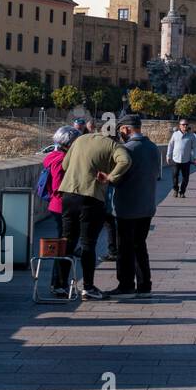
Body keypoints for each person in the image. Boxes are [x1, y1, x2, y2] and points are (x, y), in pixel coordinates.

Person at [60, 127, 132, 300]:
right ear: (116, 135)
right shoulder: (113, 146)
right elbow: (126, 161)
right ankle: (88, 288)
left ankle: (60, 286)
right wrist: (110, 177)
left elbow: (64, 165)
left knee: (67, 241)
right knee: (87, 243)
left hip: (68, 195)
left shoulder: (80, 139)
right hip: (91, 197)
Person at [108, 114, 160, 298]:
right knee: (140, 245)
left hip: (127, 207)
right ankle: (145, 284)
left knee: (124, 247)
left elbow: (115, 178)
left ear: (126, 129)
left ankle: (126, 284)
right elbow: (157, 175)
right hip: (147, 206)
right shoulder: (153, 148)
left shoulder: (126, 150)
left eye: (121, 130)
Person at [42, 125, 79, 297]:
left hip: (58, 207)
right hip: (61, 207)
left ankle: (58, 282)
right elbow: (58, 186)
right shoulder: (60, 160)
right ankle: (58, 283)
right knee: (64, 246)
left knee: (64, 245)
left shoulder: (54, 157)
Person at [166, 118, 196, 197]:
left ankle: (182, 191)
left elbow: (195, 147)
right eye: (183, 124)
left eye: (186, 124)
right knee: (175, 176)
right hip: (175, 159)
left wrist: (195, 158)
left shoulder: (191, 136)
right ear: (179, 126)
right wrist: (168, 155)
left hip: (186, 160)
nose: (185, 126)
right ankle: (176, 190)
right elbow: (170, 145)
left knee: (185, 178)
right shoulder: (175, 134)